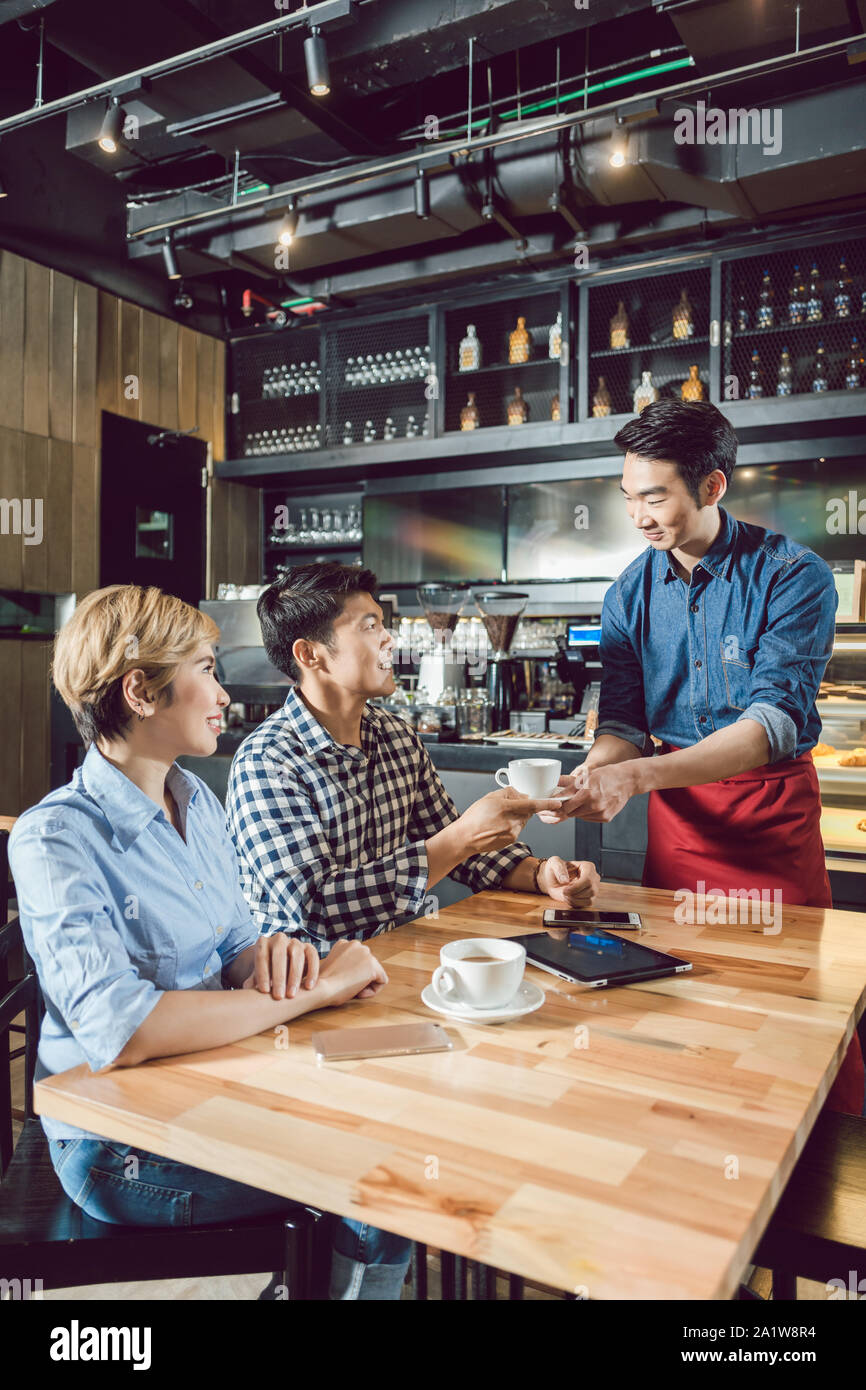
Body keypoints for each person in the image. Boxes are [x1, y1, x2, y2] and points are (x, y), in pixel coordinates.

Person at [9, 584, 412, 1299]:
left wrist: (279, 955)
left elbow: (233, 947)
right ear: (140, 690)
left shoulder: (198, 801)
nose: (225, 694)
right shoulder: (55, 835)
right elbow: (123, 1028)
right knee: (384, 1185)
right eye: (206, 668)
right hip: (118, 1148)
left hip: (208, 1084)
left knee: (398, 1125)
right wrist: (312, 992)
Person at [539, 399, 864, 1115]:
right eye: (629, 498)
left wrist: (638, 774)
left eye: (655, 497)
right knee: (682, 997)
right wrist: (598, 768)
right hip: (683, 831)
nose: (639, 516)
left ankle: (818, 1173)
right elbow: (623, 718)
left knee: (792, 1005)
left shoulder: (793, 576)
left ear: (712, 486)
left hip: (770, 823)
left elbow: (772, 723)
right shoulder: (629, 591)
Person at [225, 563, 601, 950]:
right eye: (370, 627)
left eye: (383, 624)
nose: (390, 638)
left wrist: (543, 876)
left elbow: (458, 847)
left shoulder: (396, 737)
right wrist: (461, 839)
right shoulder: (267, 762)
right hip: (300, 986)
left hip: (389, 965)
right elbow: (315, 906)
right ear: (310, 654)